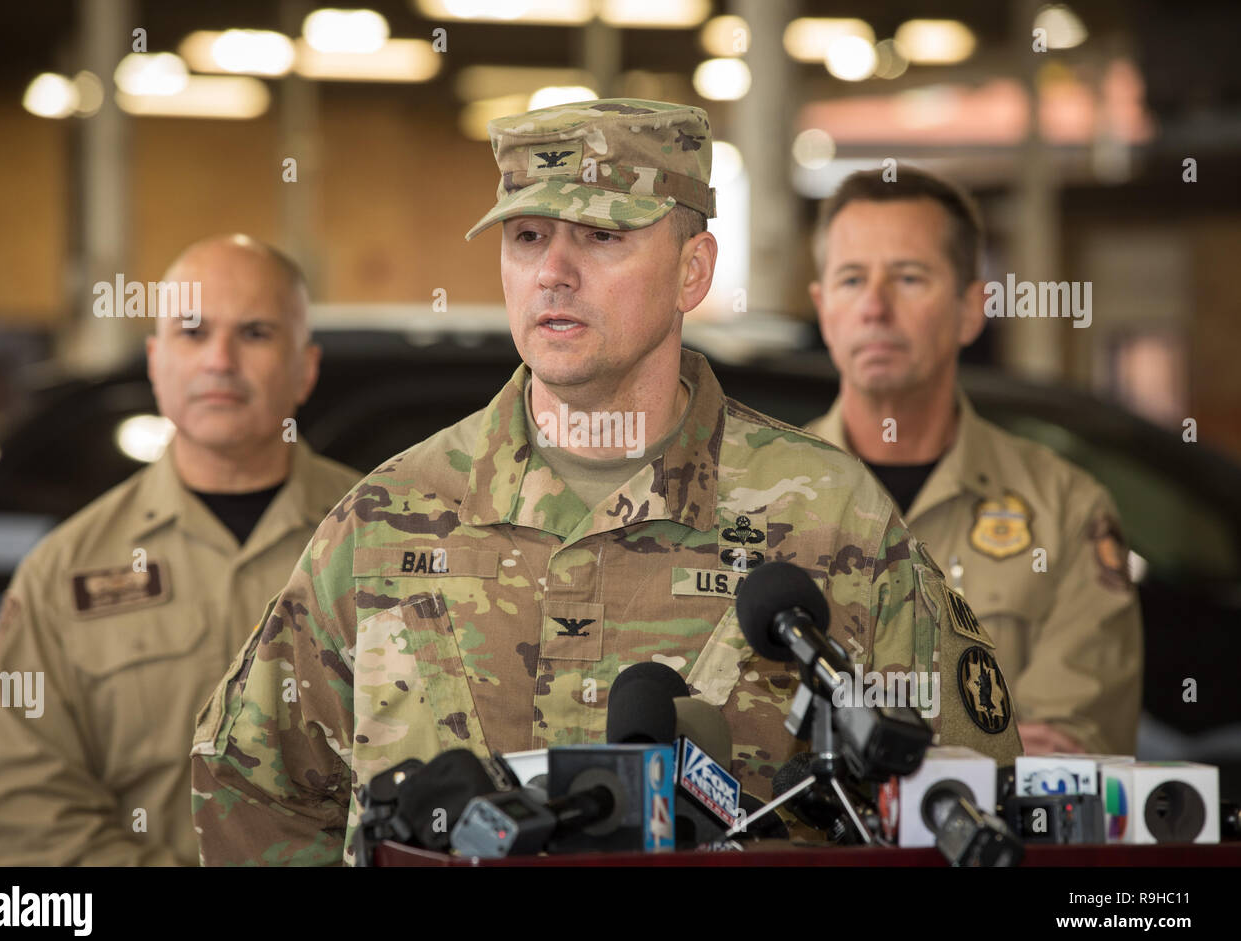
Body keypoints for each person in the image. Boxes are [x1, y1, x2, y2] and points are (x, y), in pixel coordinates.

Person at [190, 100, 1022, 866]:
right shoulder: (388, 520)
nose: (553, 271)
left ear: (692, 272)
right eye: (526, 238)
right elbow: (251, 794)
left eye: (601, 237)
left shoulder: (832, 522)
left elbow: (965, 801)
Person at [0, 235, 360, 865]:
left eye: (256, 333)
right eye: (192, 332)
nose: (220, 360)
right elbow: (33, 812)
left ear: (305, 367)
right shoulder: (63, 574)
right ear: (156, 362)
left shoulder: (388, 539)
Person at [806, 166, 1142, 756]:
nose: (875, 307)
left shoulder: (1064, 509)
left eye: (909, 278)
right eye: (852, 279)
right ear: (823, 308)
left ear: (970, 308)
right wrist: (976, 748)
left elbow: (1067, 747)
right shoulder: (749, 499)